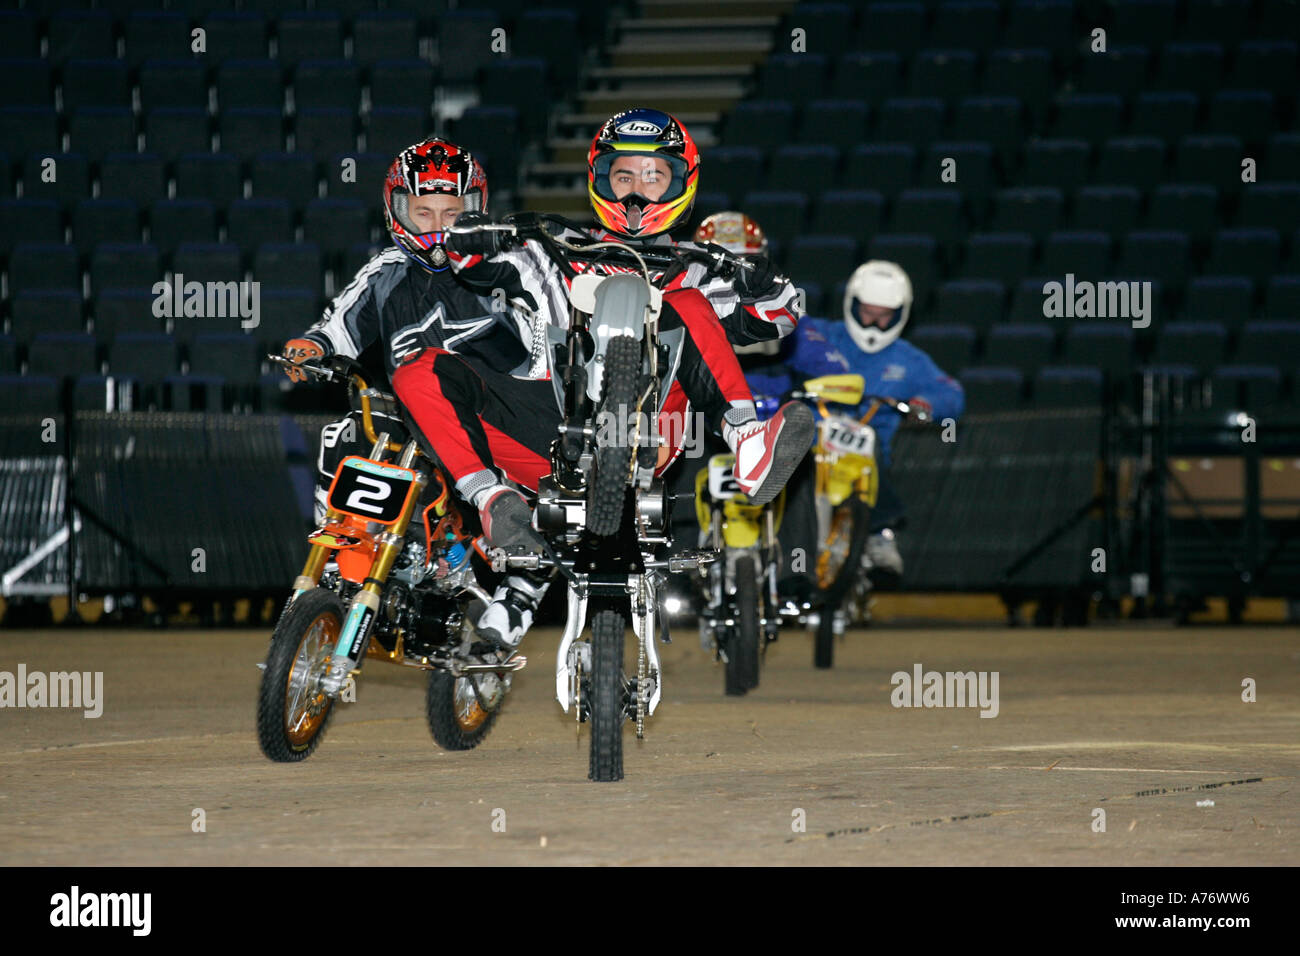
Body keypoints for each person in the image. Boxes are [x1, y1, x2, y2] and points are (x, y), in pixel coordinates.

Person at [408, 108, 816, 649]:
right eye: (624, 177)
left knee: (685, 300)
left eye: (654, 177)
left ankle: (748, 443)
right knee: (420, 367)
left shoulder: (698, 268)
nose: (637, 193)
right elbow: (460, 256)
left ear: (681, 182)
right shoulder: (550, 251)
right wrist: (479, 231)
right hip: (555, 429)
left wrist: (761, 278)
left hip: (657, 429)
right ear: (601, 181)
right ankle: (493, 503)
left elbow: (782, 315)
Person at [280, 137, 529, 522]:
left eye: (451, 213)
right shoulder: (386, 271)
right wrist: (314, 346)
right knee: (346, 434)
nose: (437, 225)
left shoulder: (505, 265)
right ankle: (335, 558)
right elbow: (341, 325)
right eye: (423, 212)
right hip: (421, 421)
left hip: (501, 417)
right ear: (397, 211)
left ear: (475, 210)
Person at [785, 260, 965, 580]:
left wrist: (926, 404)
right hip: (809, 438)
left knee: (866, 446)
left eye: (884, 316)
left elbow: (950, 393)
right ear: (851, 306)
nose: (873, 323)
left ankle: (878, 532)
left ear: (899, 315)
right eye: (867, 312)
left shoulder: (908, 359)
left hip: (866, 449)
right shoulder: (821, 336)